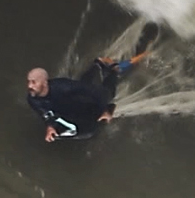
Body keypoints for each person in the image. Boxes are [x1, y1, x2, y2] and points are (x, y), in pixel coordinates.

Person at [26, 23, 158, 142]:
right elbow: (46, 113)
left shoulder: (63, 86)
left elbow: (95, 93)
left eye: (33, 82)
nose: (29, 86)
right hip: (75, 102)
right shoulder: (32, 98)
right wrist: (50, 127)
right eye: (29, 82)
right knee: (81, 86)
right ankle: (98, 64)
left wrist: (106, 110)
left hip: (89, 99)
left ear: (45, 83)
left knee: (106, 92)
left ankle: (114, 70)